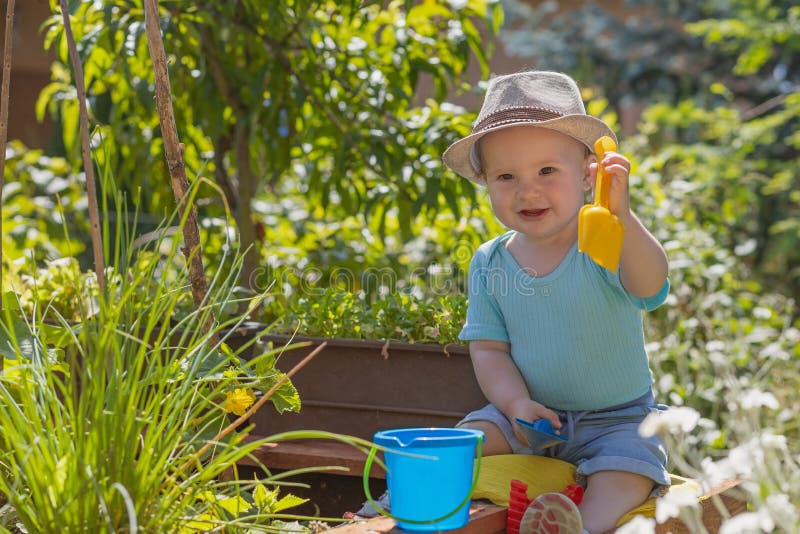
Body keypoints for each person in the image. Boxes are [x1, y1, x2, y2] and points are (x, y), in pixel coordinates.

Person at [441, 70, 671, 534]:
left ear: (590, 175)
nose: (528, 190)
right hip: (532, 418)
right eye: (506, 176)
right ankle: (412, 504)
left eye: (547, 170)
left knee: (627, 470)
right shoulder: (490, 262)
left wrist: (622, 217)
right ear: (486, 182)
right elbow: (490, 350)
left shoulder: (603, 241)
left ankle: (577, 526)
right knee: (465, 441)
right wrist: (515, 404)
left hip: (617, 418)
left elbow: (650, 288)